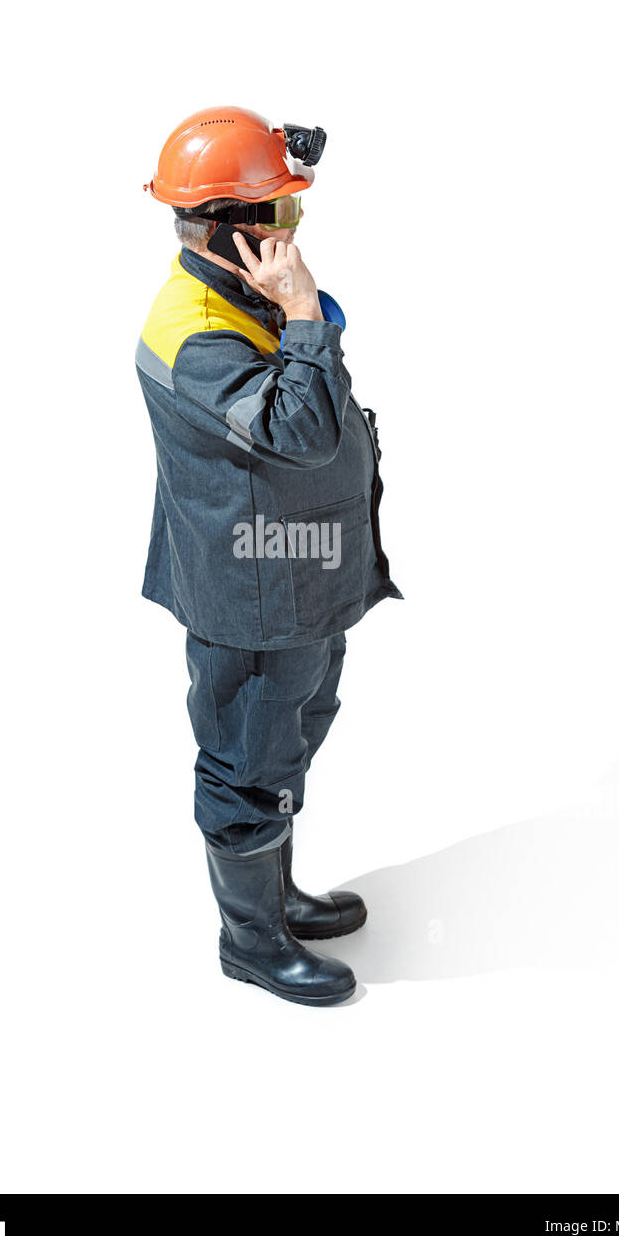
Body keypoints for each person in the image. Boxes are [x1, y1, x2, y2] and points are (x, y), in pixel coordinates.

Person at [135, 107, 401, 1005]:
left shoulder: (241, 300)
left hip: (297, 577)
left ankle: (275, 895)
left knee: (289, 734)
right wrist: (298, 313)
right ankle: (250, 940)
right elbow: (306, 429)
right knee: (248, 756)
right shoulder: (195, 334)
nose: (292, 234)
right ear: (224, 230)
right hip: (249, 594)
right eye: (278, 217)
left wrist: (295, 313)